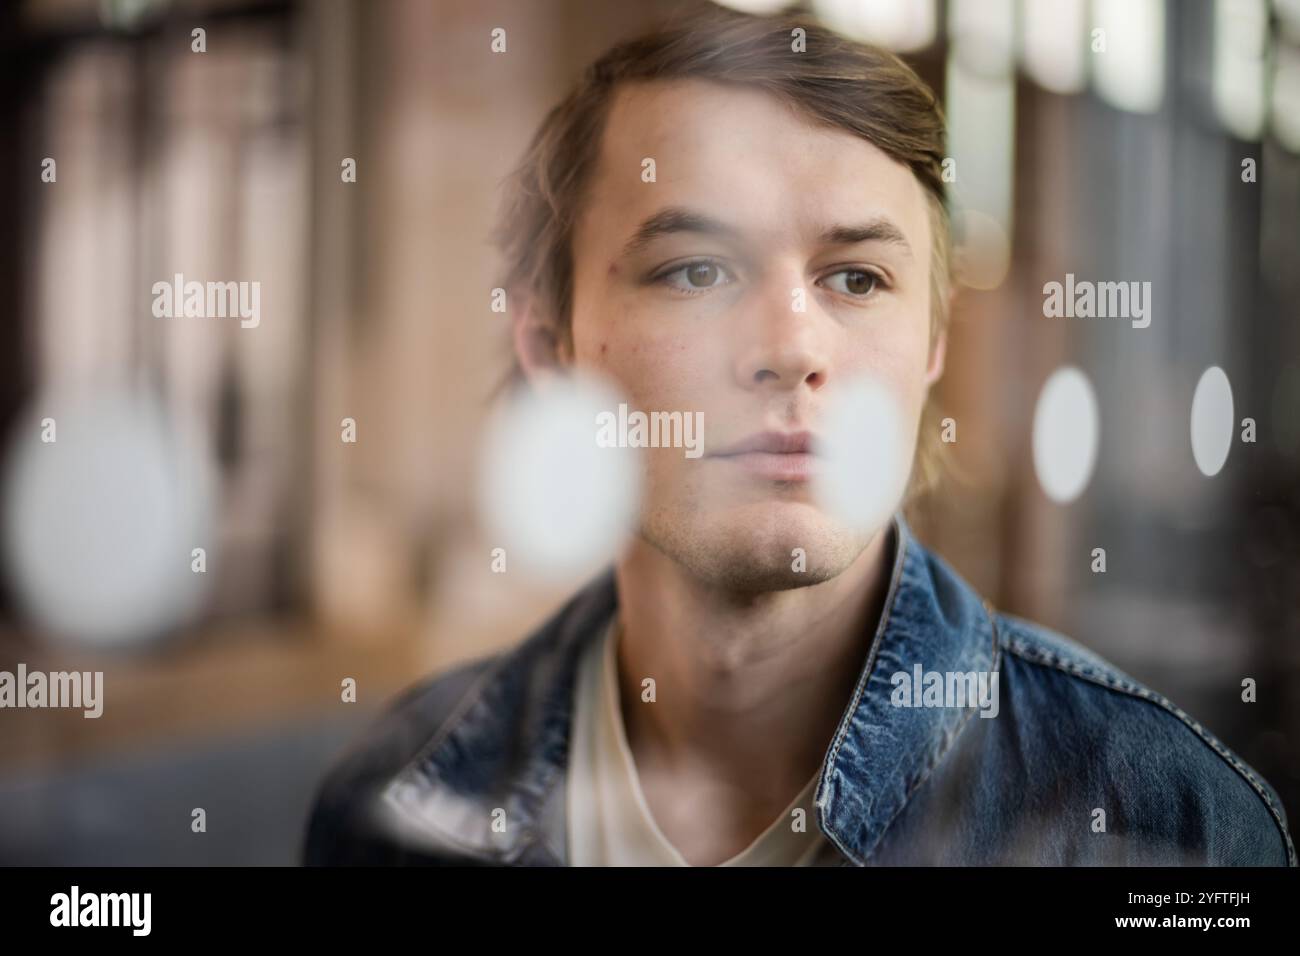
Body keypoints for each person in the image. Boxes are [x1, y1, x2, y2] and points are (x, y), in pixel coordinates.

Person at [303, 8, 1293, 867]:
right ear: (549, 346)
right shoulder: (396, 808)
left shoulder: (1164, 823)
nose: (789, 346)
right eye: (695, 270)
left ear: (933, 344)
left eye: (856, 278)